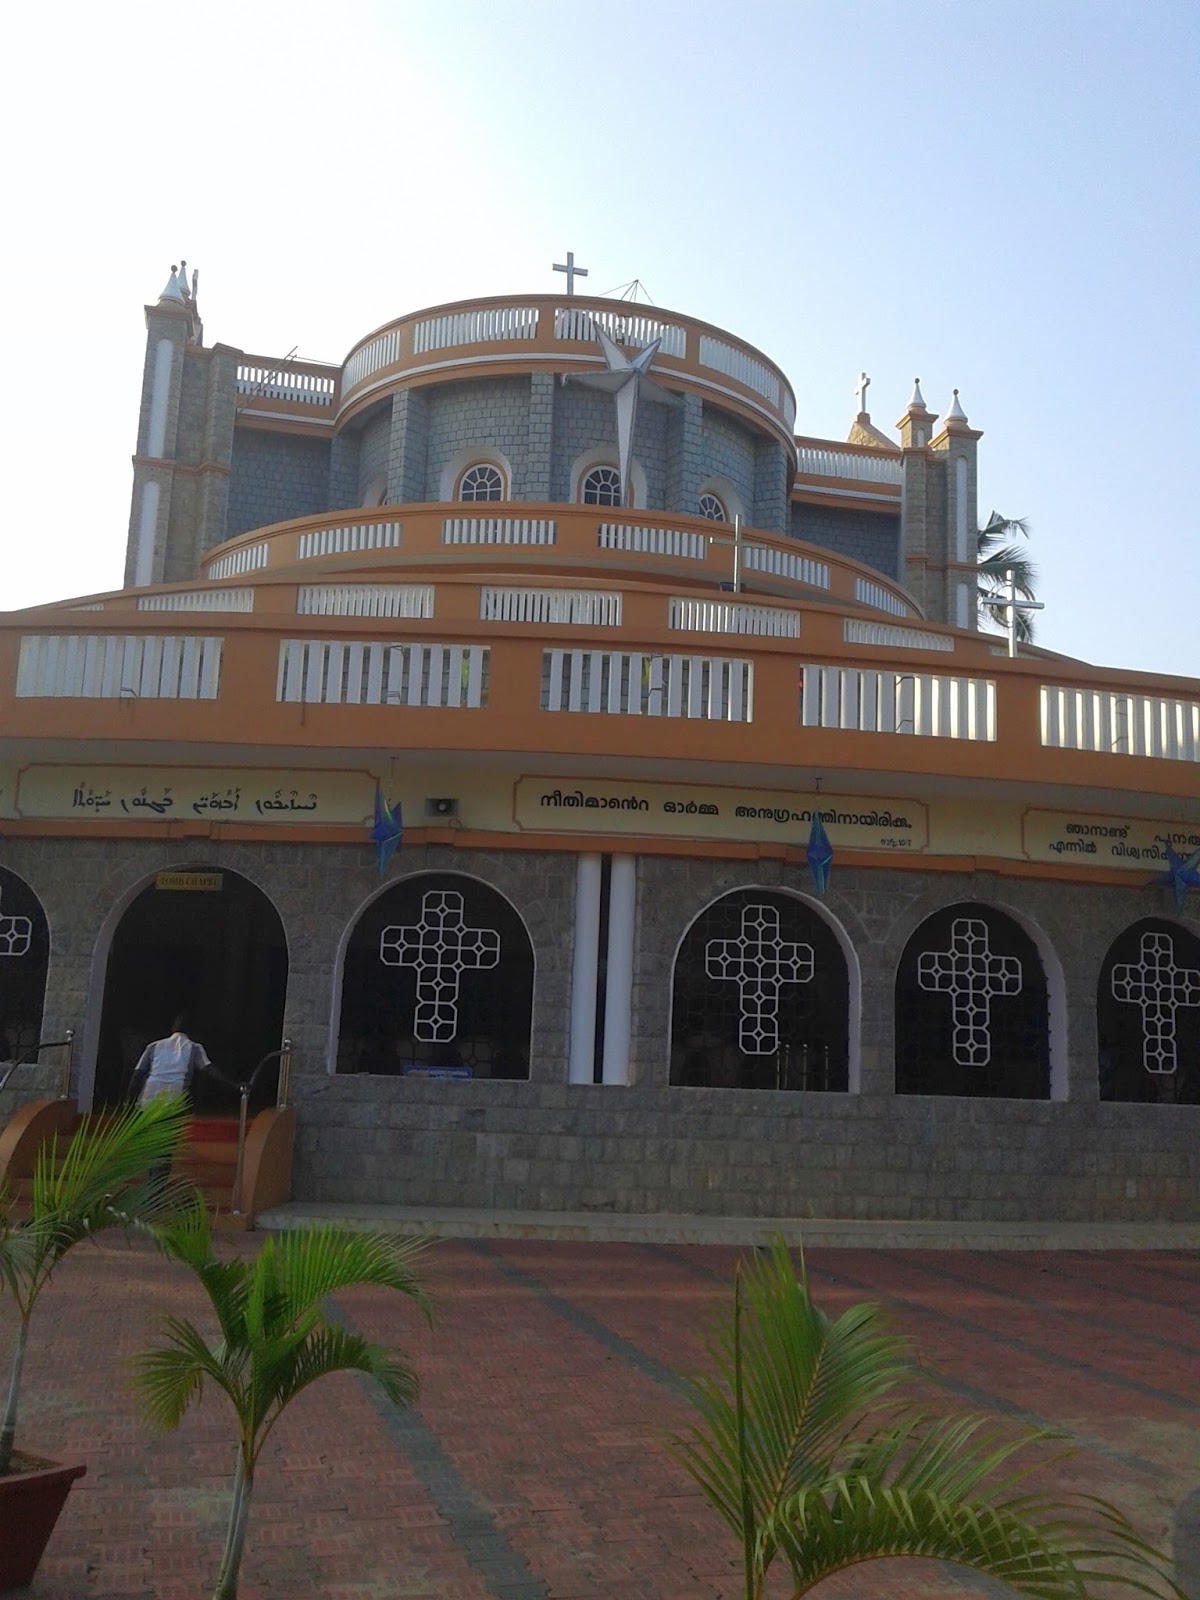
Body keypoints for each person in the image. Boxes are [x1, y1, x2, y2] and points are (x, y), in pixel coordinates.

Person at [127, 1015, 231, 1107]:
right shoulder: (194, 1047)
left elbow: (137, 1075)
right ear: (191, 1032)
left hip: (148, 1098)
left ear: (172, 1029)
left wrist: (129, 1102)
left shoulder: (153, 1046)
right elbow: (209, 1070)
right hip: (174, 1099)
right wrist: (233, 1084)